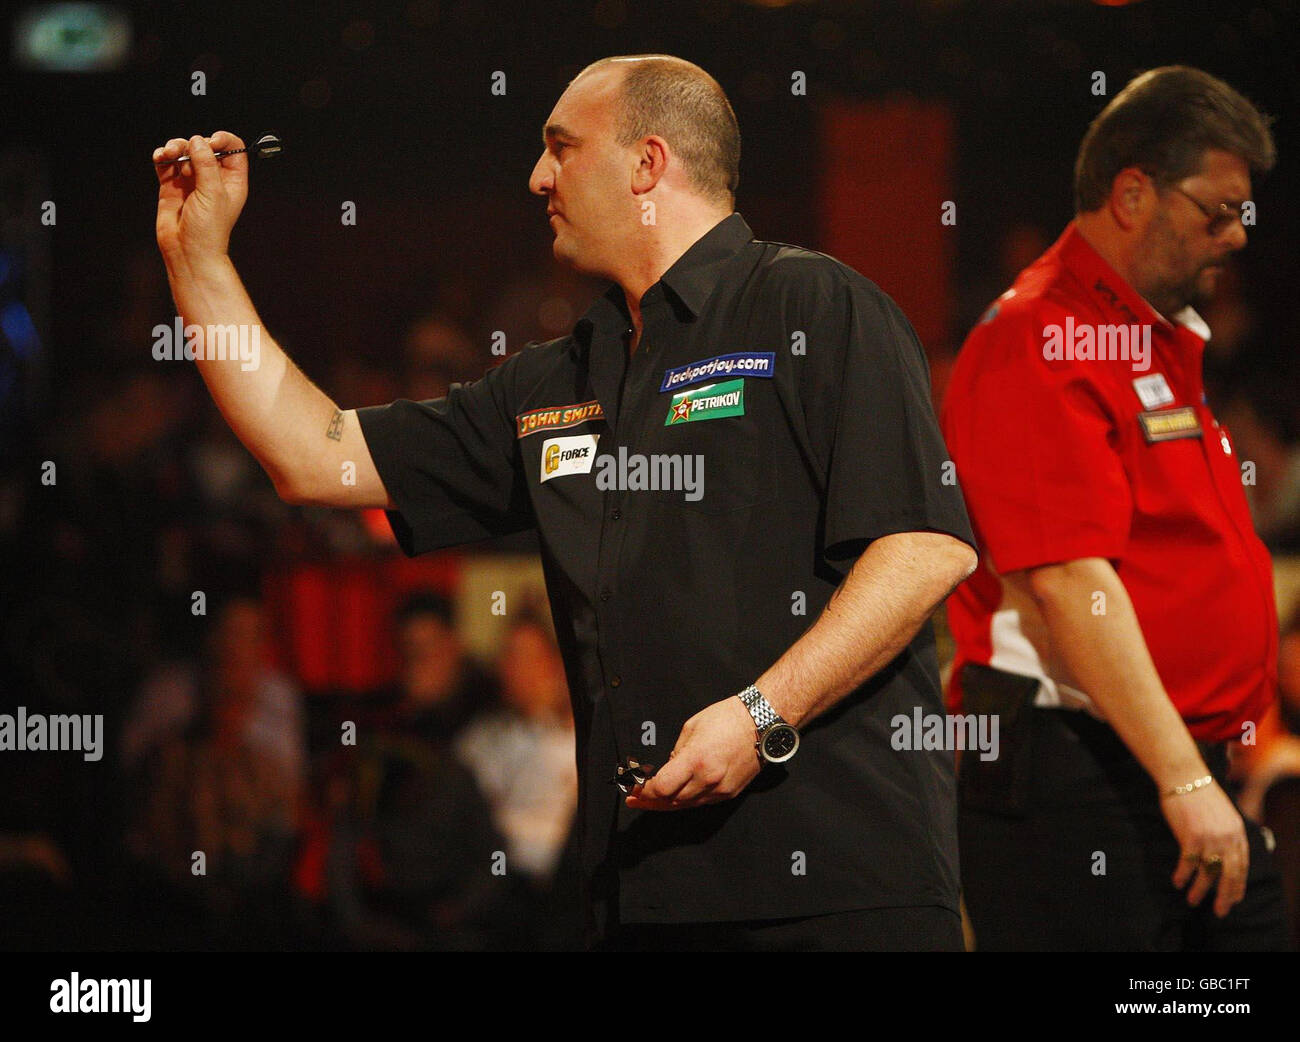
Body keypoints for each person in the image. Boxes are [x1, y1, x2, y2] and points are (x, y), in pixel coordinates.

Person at [152, 53, 976, 951]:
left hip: (840, 888)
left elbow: (924, 547)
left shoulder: (816, 304)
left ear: (647, 164)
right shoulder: (554, 378)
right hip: (641, 893)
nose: (537, 176)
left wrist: (760, 714)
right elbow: (316, 456)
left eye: (561, 148)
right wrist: (199, 262)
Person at [941, 66, 1289, 951]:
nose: (1237, 236)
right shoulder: (1037, 337)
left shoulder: (1148, 333)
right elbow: (1068, 583)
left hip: (1164, 760)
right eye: (1216, 210)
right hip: (1075, 770)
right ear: (1132, 193)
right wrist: (1182, 782)